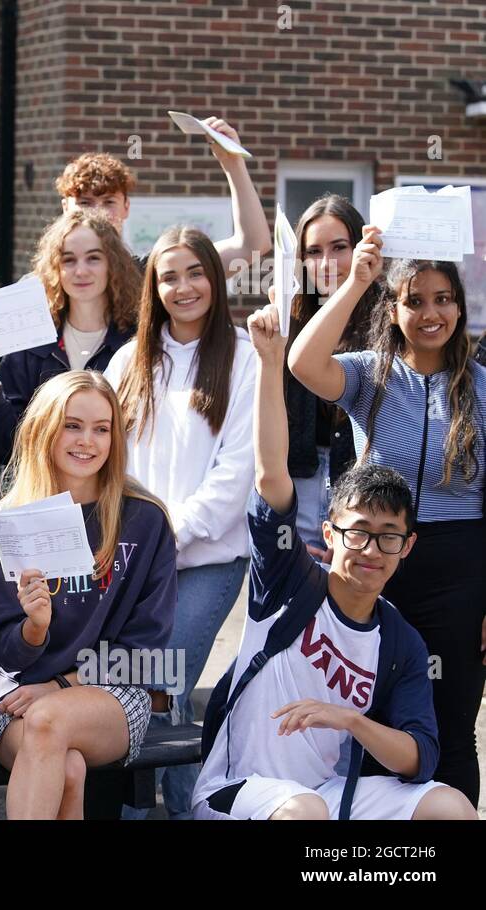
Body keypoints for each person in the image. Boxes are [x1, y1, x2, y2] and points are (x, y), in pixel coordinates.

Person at [191, 301, 476, 821]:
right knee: (304, 814)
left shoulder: (399, 640)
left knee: (449, 807)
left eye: (389, 537)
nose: (371, 550)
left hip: (325, 791)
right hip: (240, 791)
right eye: (358, 533)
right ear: (329, 532)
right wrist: (270, 363)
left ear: (407, 547)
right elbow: (271, 472)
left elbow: (420, 757)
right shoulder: (286, 582)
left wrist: (350, 721)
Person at [289, 236, 486, 808]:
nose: (431, 314)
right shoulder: (368, 376)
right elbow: (302, 361)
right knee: (368, 728)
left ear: (460, 307)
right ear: (392, 310)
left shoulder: (481, 385)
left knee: (450, 733)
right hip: (376, 565)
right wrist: (354, 281)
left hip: (460, 573)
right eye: (415, 300)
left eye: (443, 299)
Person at [105, 225, 257, 818]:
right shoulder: (129, 359)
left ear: (215, 281)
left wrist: (162, 540)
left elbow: (234, 474)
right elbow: (105, 456)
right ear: (153, 286)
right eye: (169, 276)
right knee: (161, 700)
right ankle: (195, 808)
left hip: (206, 560)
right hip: (128, 560)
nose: (183, 286)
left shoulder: (242, 357)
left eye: (195, 272)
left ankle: (144, 812)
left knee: (159, 683)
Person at [0, 370, 176, 819]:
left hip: (112, 692)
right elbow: (4, 652)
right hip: (19, 693)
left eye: (101, 428)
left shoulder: (145, 520)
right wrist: (34, 629)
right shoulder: (8, 522)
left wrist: (62, 684)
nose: (87, 440)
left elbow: (147, 650)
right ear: (45, 429)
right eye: (72, 424)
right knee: (65, 768)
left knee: (50, 720)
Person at [0, 209, 140, 467]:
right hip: (44, 489)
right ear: (54, 269)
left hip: (113, 490)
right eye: (68, 260)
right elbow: (3, 447)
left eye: (93, 258)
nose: (80, 271)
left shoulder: (135, 340)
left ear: (112, 264)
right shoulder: (31, 339)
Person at [281, 194, 384, 556]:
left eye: (339, 247)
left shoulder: (389, 321)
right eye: (313, 251)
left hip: (365, 492)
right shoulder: (289, 322)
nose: (325, 263)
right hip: (300, 485)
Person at [55, 119, 271, 275]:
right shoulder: (43, 284)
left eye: (109, 202)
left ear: (126, 207)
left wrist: (232, 162)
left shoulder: (154, 273)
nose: (98, 213)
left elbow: (252, 245)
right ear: (66, 207)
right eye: (85, 203)